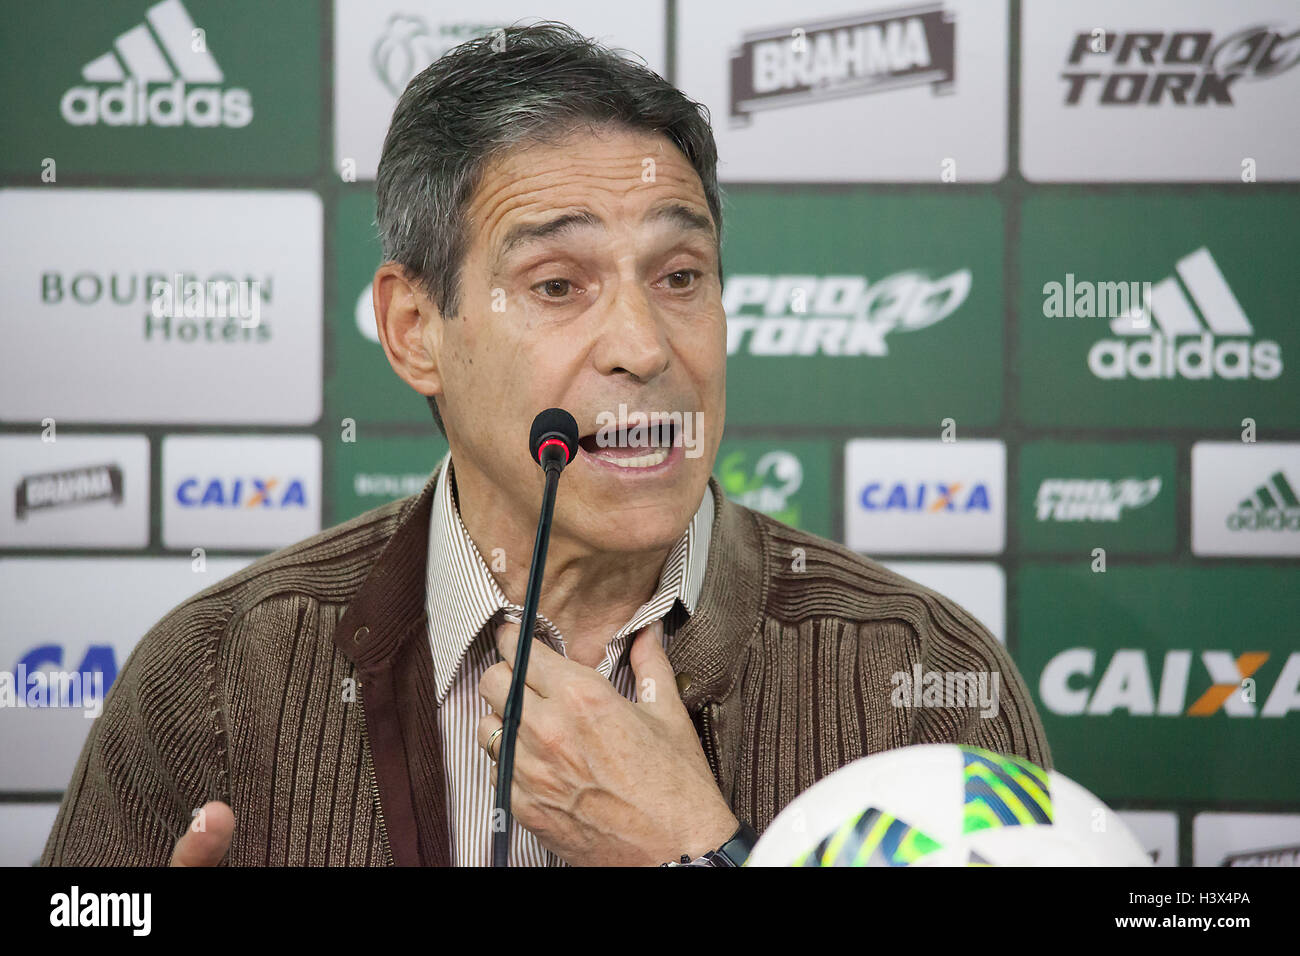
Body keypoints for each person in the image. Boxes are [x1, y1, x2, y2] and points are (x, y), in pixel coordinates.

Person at [42, 22, 1049, 868]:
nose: (644, 346)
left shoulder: (918, 679)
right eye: (558, 284)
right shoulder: (217, 670)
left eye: (680, 274)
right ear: (412, 330)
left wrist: (698, 849)